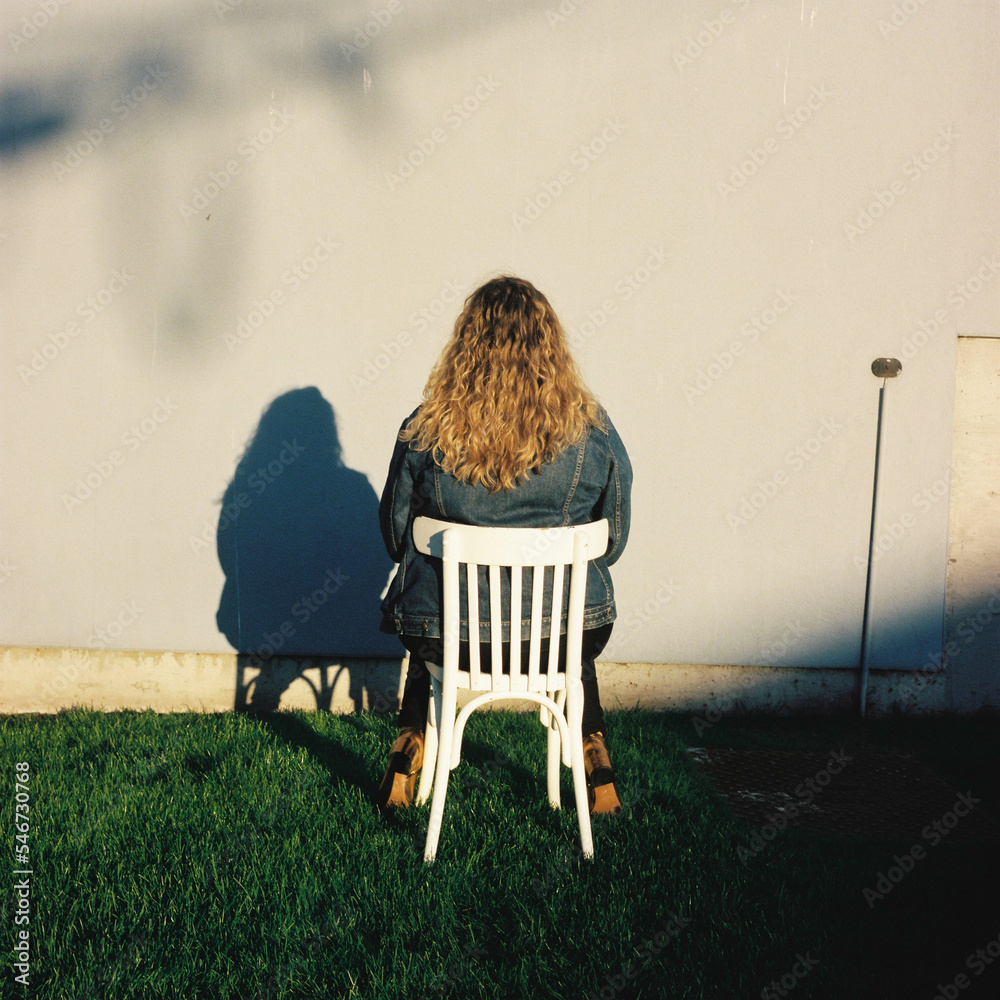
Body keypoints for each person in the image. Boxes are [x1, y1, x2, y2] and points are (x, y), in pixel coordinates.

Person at [374, 275, 632, 816]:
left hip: (454, 642)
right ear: (552, 349)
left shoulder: (424, 431)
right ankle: (591, 749)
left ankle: (408, 744)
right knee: (568, 616)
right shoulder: (593, 431)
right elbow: (612, 540)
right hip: (560, 641)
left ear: (465, 349)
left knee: (429, 601)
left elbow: (397, 538)